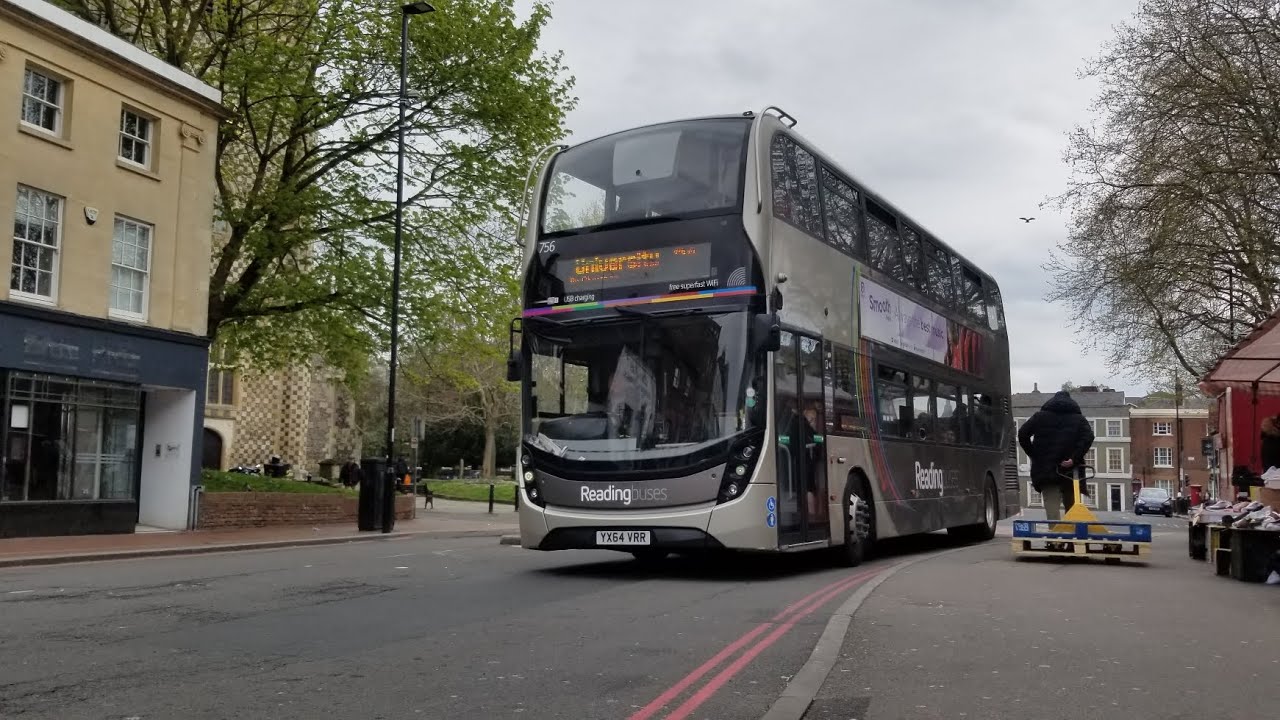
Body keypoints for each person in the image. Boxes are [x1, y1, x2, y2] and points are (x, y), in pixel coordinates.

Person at [1017, 390, 1095, 521]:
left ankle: (1055, 539)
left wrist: (1034, 455)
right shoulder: (1079, 419)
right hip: (1071, 472)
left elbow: (1022, 434)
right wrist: (1074, 458)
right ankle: (1072, 538)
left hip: (1046, 471)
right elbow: (1088, 437)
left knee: (1052, 510)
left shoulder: (1039, 417)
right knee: (1072, 509)